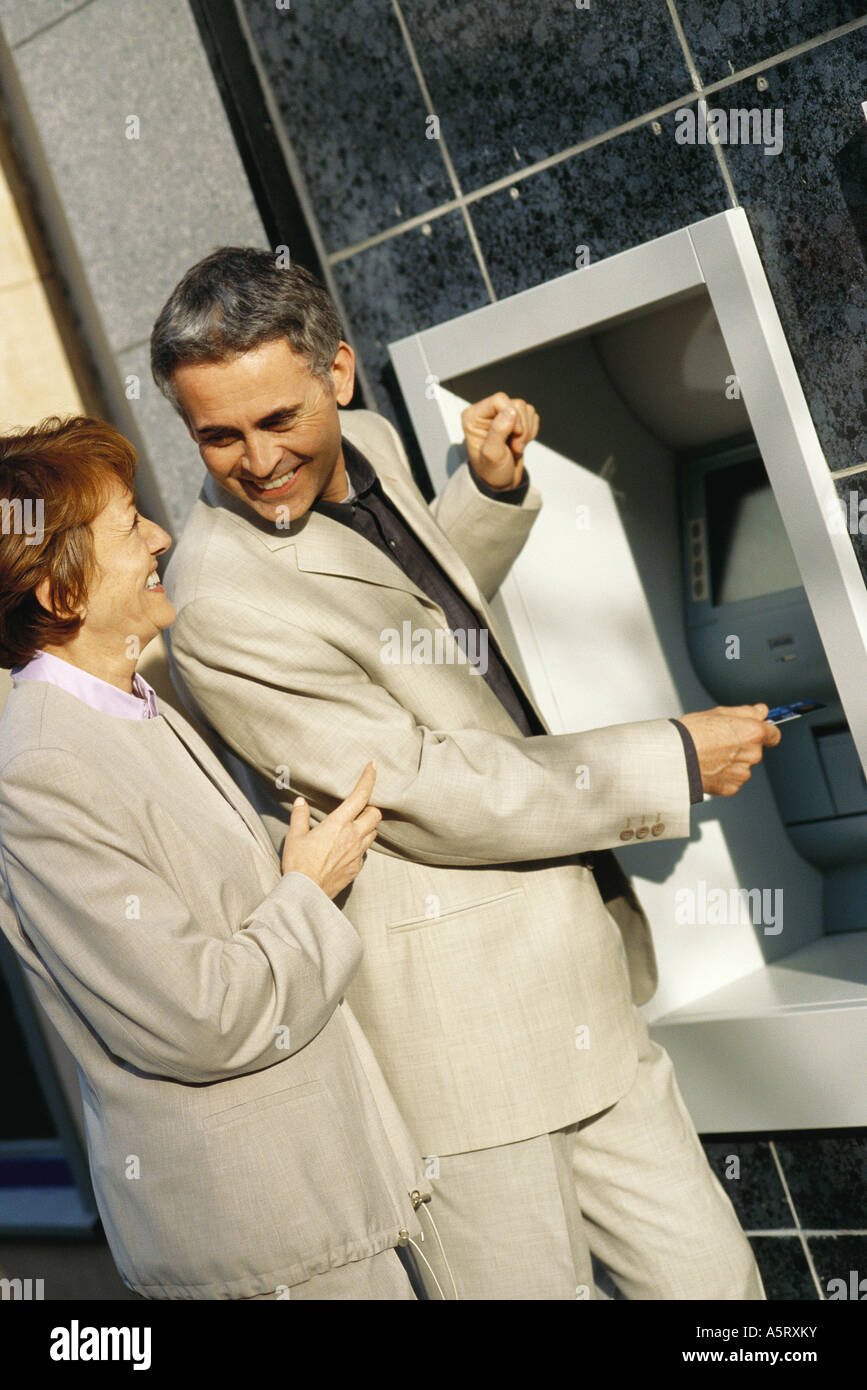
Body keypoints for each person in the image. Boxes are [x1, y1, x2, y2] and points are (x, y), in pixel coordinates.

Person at [151, 248, 782, 1300]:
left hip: (582, 980)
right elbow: (424, 785)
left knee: (721, 1295)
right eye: (218, 434)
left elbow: (413, 638)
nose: (257, 461)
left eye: (277, 420)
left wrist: (486, 500)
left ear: (338, 373)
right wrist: (666, 757)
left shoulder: (372, 444)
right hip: (463, 1060)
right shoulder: (217, 601)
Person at [0, 414, 449, 1301]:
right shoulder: (43, 767)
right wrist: (307, 889)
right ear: (60, 592)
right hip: (268, 1246)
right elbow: (197, 1014)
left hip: (316, 1212)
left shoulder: (127, 705)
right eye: (130, 524)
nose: (162, 535)